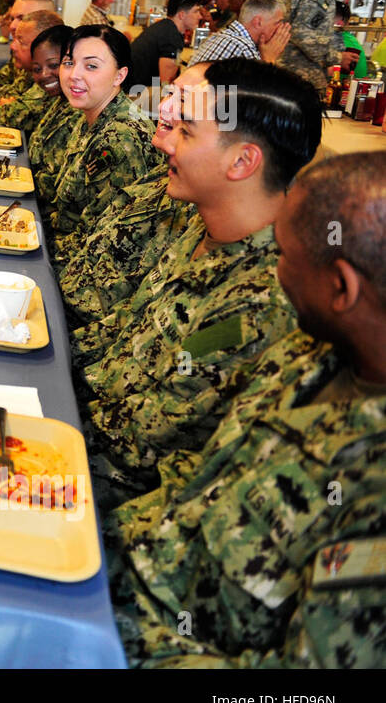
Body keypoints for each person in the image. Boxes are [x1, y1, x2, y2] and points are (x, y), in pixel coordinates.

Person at [106, 152, 386, 668]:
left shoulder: (371, 486)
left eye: (281, 255)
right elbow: (202, 478)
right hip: (115, 564)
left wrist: (87, 640)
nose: (270, 271)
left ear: (341, 288)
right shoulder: (313, 356)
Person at [72, 59, 322, 510]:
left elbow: (137, 447)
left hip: (106, 492)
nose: (162, 140)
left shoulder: (262, 300)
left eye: (186, 132)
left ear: (243, 161)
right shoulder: (203, 229)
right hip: (82, 421)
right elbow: (120, 335)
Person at [55, 65, 203, 327]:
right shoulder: (161, 174)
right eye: (169, 94)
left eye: (181, 100)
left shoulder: (194, 208)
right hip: (62, 297)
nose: (164, 106)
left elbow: (128, 321)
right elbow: (86, 239)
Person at [46, 25, 160, 240]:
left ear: (119, 76)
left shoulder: (121, 137)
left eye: (91, 66)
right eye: (68, 63)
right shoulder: (90, 115)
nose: (74, 75)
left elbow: (102, 238)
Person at [0, 21, 69, 138]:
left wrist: (10, 105)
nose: (44, 74)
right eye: (37, 69)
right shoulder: (58, 100)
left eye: (54, 65)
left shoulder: (73, 104)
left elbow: (16, 114)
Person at [0, 10, 63, 106]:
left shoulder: (50, 76)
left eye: (21, 42)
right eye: (12, 18)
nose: (12, 46)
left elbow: (15, 112)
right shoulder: (30, 68)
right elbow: (14, 90)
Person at [125, 0, 203, 92]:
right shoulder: (171, 35)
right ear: (182, 15)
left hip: (130, 88)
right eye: (196, 11)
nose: (200, 16)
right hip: (135, 94)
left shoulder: (165, 27)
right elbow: (166, 83)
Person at [188, 0, 289, 66]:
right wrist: (269, 59)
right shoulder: (244, 48)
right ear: (258, 22)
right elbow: (262, 93)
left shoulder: (225, 35)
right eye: (277, 23)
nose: (280, 29)